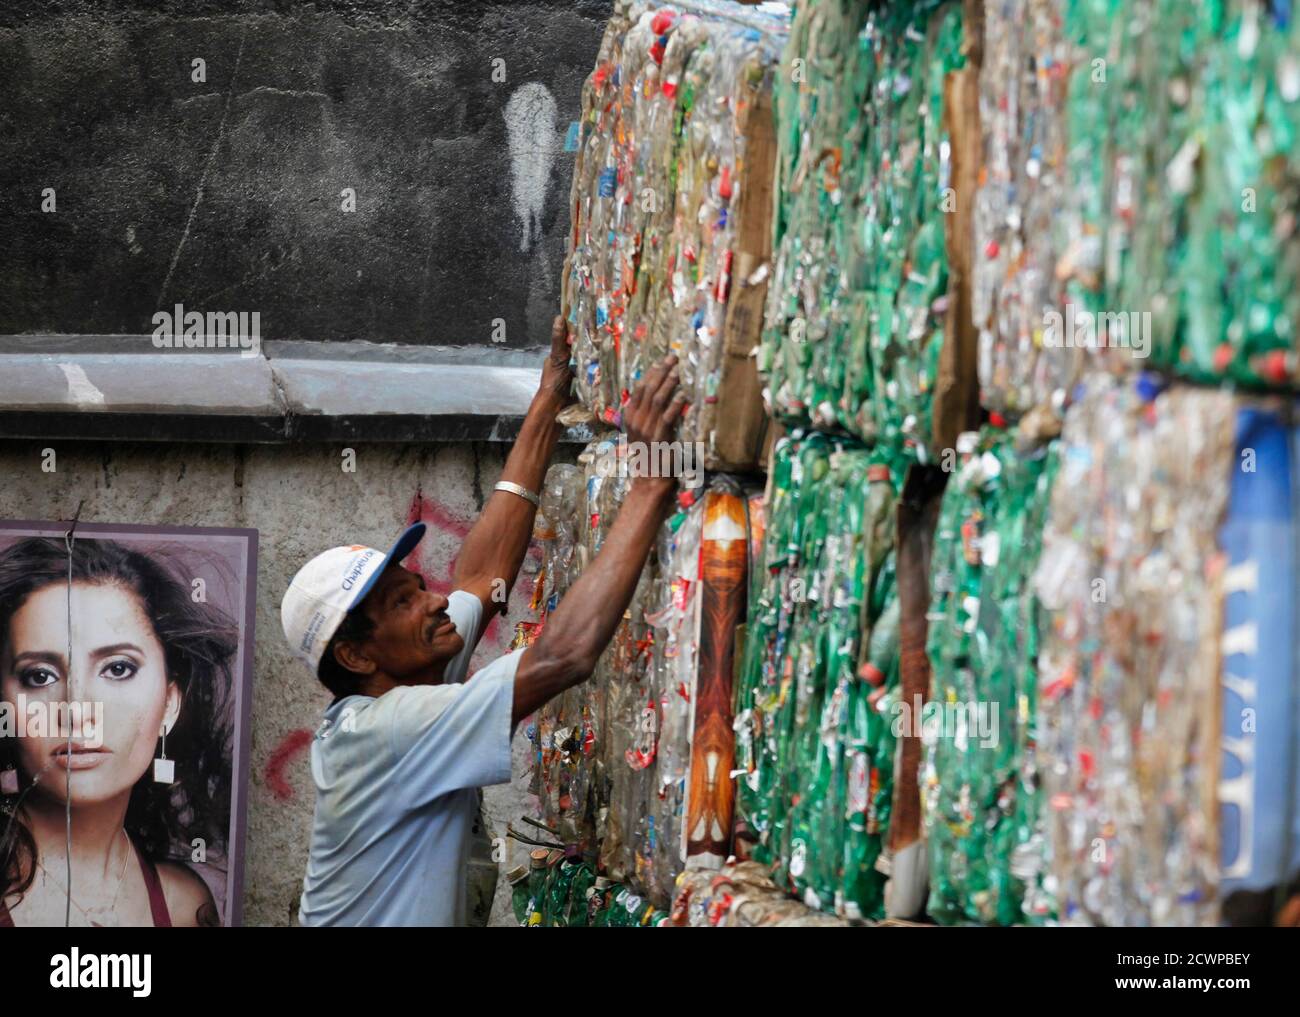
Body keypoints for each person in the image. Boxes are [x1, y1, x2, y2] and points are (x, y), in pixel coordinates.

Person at [283, 316, 685, 926]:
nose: (434, 603)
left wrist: (550, 397)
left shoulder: (415, 672)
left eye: (418, 588)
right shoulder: (388, 730)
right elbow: (563, 657)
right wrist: (651, 488)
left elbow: (485, 575)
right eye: (401, 604)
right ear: (357, 656)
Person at [0, 537, 237, 927]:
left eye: (118, 668)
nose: (78, 711)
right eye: (39, 676)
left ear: (170, 703)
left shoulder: (183, 904)